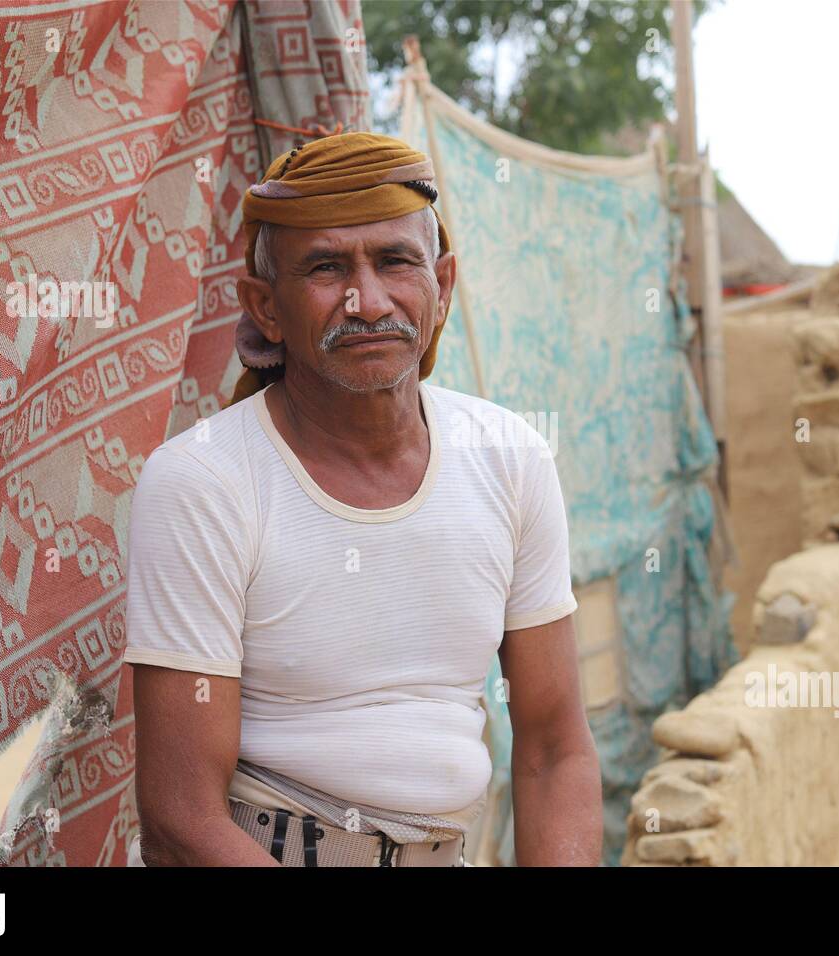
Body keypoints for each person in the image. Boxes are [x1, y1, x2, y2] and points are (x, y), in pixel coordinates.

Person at [121, 132, 602, 866]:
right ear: (265, 307)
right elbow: (181, 819)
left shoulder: (510, 458)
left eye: (396, 261)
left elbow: (555, 749)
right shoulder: (204, 481)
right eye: (325, 268)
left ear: (440, 283)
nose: (368, 300)